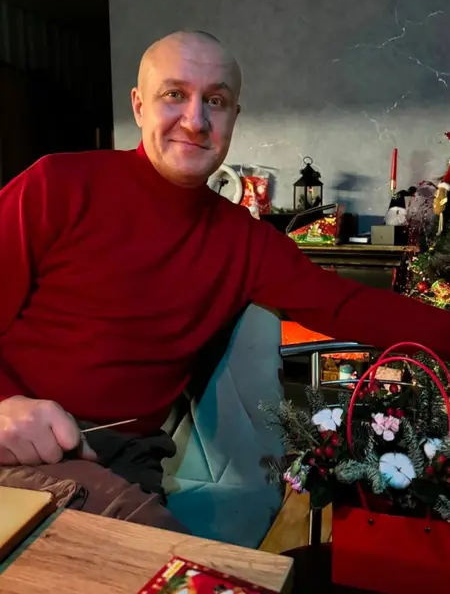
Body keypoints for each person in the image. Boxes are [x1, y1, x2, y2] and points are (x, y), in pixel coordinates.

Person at [1, 30, 450, 531]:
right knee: (163, 556)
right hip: (19, 440)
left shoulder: (246, 241)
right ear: (139, 106)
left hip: (128, 459)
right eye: (174, 94)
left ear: (234, 115)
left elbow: (347, 305)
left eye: (215, 101)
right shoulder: (56, 186)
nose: (195, 121)